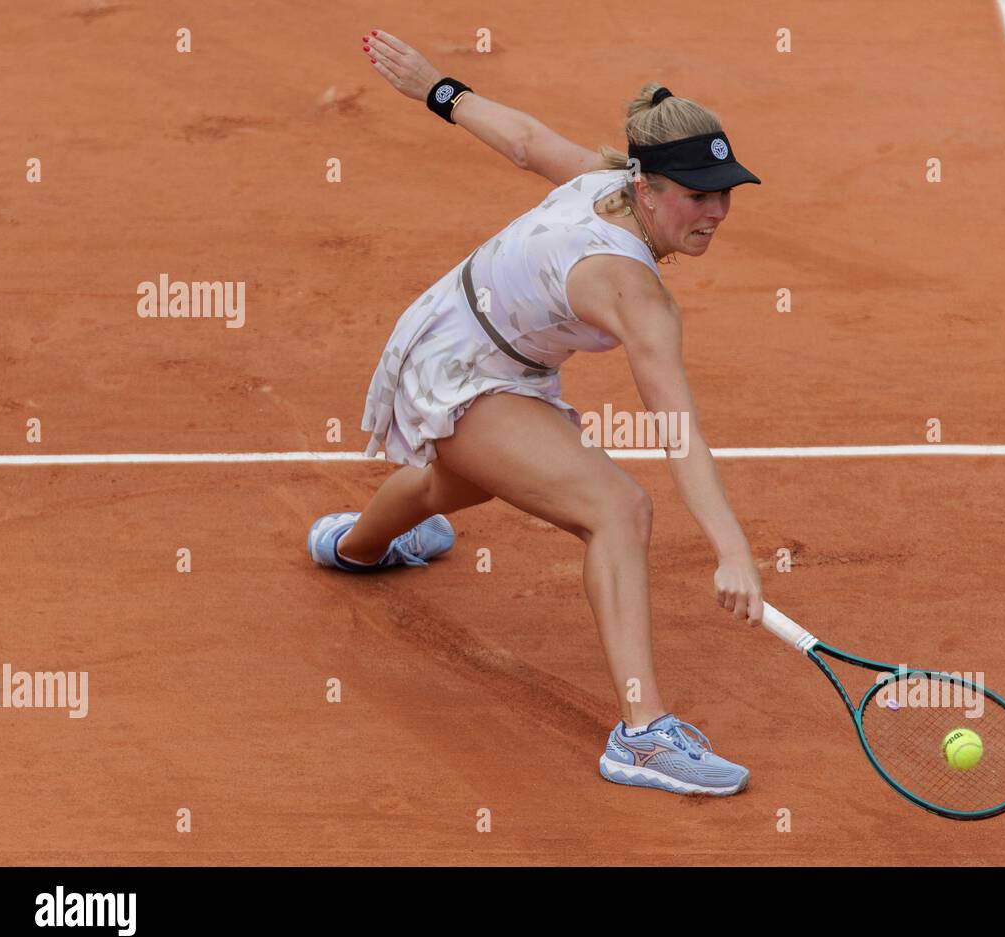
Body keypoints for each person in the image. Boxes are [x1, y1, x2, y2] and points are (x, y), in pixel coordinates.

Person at [308, 28, 765, 796]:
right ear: (649, 189)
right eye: (696, 194)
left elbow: (522, 141)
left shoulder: (607, 178)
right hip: (467, 372)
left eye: (723, 193)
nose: (715, 211)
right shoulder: (634, 292)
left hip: (461, 331)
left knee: (456, 485)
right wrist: (733, 548)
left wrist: (436, 88)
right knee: (618, 507)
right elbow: (676, 428)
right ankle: (642, 734)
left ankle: (353, 547)